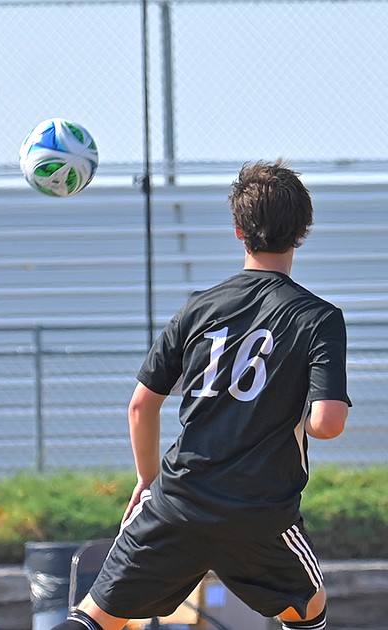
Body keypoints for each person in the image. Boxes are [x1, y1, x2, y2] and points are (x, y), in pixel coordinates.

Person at [53, 160, 349, 630]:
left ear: (237, 230)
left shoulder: (198, 308)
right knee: (309, 611)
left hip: (180, 502)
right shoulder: (318, 318)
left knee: (92, 618)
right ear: (303, 231)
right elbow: (327, 424)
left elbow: (141, 405)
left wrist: (149, 481)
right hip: (259, 516)